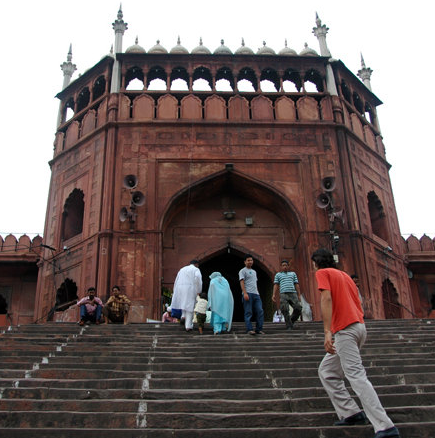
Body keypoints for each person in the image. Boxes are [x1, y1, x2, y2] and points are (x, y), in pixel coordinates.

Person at [311, 248, 400, 438]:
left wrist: (327, 332)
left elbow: (326, 298)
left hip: (345, 330)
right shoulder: (345, 275)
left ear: (316, 262)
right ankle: (351, 412)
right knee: (326, 371)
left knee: (356, 376)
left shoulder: (323, 273)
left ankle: (385, 426)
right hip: (359, 327)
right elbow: (358, 300)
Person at [171, 259, 203, 332]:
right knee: (189, 306)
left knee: (183, 303)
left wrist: (175, 289)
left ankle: (183, 316)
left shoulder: (182, 269)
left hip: (180, 288)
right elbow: (198, 279)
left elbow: (176, 280)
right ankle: (188, 326)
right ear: (196, 264)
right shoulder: (196, 269)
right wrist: (199, 290)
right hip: (190, 288)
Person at [272, 260, 302, 330]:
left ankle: (291, 321)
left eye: (286, 265)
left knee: (298, 308)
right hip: (283, 293)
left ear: (288, 266)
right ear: (281, 267)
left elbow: (296, 284)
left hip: (293, 293)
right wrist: (273, 294)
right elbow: (276, 285)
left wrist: (299, 294)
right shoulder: (278, 275)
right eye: (283, 265)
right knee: (285, 309)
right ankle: (289, 326)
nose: (284, 267)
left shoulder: (293, 274)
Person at [239, 254, 264, 335]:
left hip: (256, 294)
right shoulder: (242, 271)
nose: (250, 262)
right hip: (248, 293)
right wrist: (245, 293)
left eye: (251, 260)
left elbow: (254, 283)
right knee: (248, 312)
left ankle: (258, 329)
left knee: (260, 311)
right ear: (245, 262)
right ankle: (249, 329)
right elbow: (242, 282)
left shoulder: (254, 272)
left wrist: (258, 293)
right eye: (248, 260)